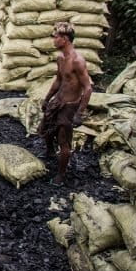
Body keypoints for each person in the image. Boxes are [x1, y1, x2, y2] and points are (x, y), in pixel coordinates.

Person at [38, 22, 93, 186]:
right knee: (46, 129)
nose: (53, 41)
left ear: (65, 39)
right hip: (58, 101)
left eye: (56, 38)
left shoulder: (77, 61)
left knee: (63, 141)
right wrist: (47, 99)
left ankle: (61, 175)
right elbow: (58, 81)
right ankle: (49, 152)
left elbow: (88, 88)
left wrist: (79, 113)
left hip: (69, 106)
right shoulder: (61, 58)